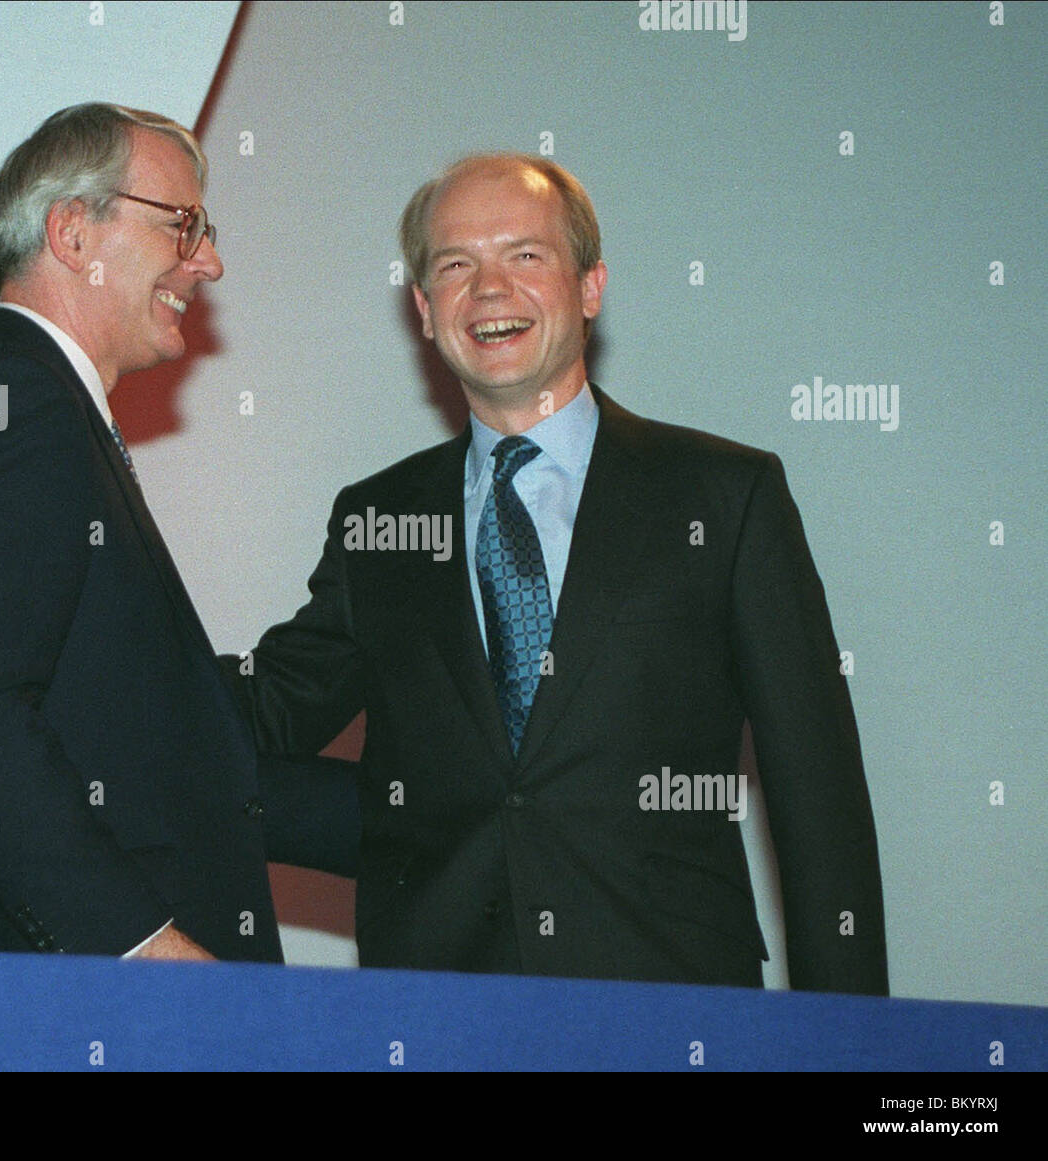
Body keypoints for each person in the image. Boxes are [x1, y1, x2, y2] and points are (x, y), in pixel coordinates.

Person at [225, 153, 889, 992]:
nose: (490, 288)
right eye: (455, 265)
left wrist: (858, 1048)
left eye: (525, 255)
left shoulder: (725, 497)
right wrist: (79, 687)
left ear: (590, 288)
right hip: (438, 1017)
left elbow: (818, 794)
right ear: (426, 311)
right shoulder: (377, 520)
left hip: (674, 1010)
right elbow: (267, 708)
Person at [0, 102, 353, 961]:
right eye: (183, 225)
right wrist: (144, 948)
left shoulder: (38, 404)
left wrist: (428, 818)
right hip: (66, 1016)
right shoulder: (18, 408)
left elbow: (149, 744)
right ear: (72, 233)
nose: (207, 262)